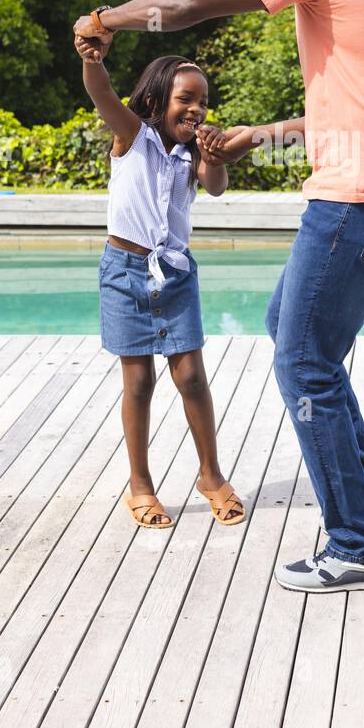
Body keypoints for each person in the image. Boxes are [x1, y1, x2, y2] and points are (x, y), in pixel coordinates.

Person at [74, 0, 364, 592]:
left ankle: (357, 545)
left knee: (301, 360)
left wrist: (105, 20)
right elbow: (361, 109)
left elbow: (186, 3)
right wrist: (260, 133)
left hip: (358, 198)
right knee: (288, 325)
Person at [75, 31, 245, 530]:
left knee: (191, 375)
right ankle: (140, 485)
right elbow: (101, 93)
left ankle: (210, 476)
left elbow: (214, 188)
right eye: (185, 99)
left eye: (203, 102)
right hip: (124, 273)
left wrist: (213, 157)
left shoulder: (193, 153)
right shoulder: (132, 136)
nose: (196, 109)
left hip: (174, 272)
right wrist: (93, 61)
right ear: (155, 100)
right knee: (140, 380)